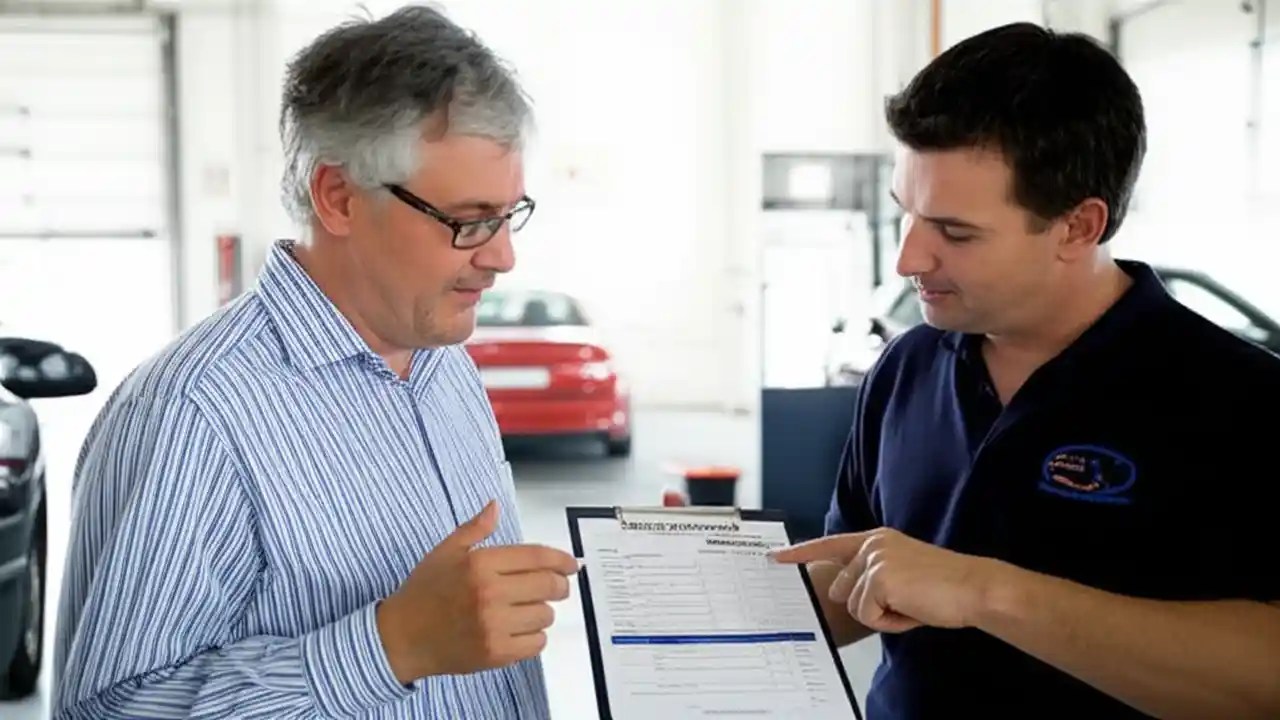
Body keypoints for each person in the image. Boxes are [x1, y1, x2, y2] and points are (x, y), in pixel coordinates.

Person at [670, 21, 1280, 720]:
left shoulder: (1243, 402)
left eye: (955, 232)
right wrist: (687, 580)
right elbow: (856, 579)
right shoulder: (907, 366)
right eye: (907, 215)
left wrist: (986, 593)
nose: (909, 259)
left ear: (1078, 226)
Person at [52, 6, 578, 719]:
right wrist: (390, 648)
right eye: (470, 220)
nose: (503, 256)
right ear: (338, 198)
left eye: (510, 214)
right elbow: (109, 710)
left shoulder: (443, 365)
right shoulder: (190, 416)